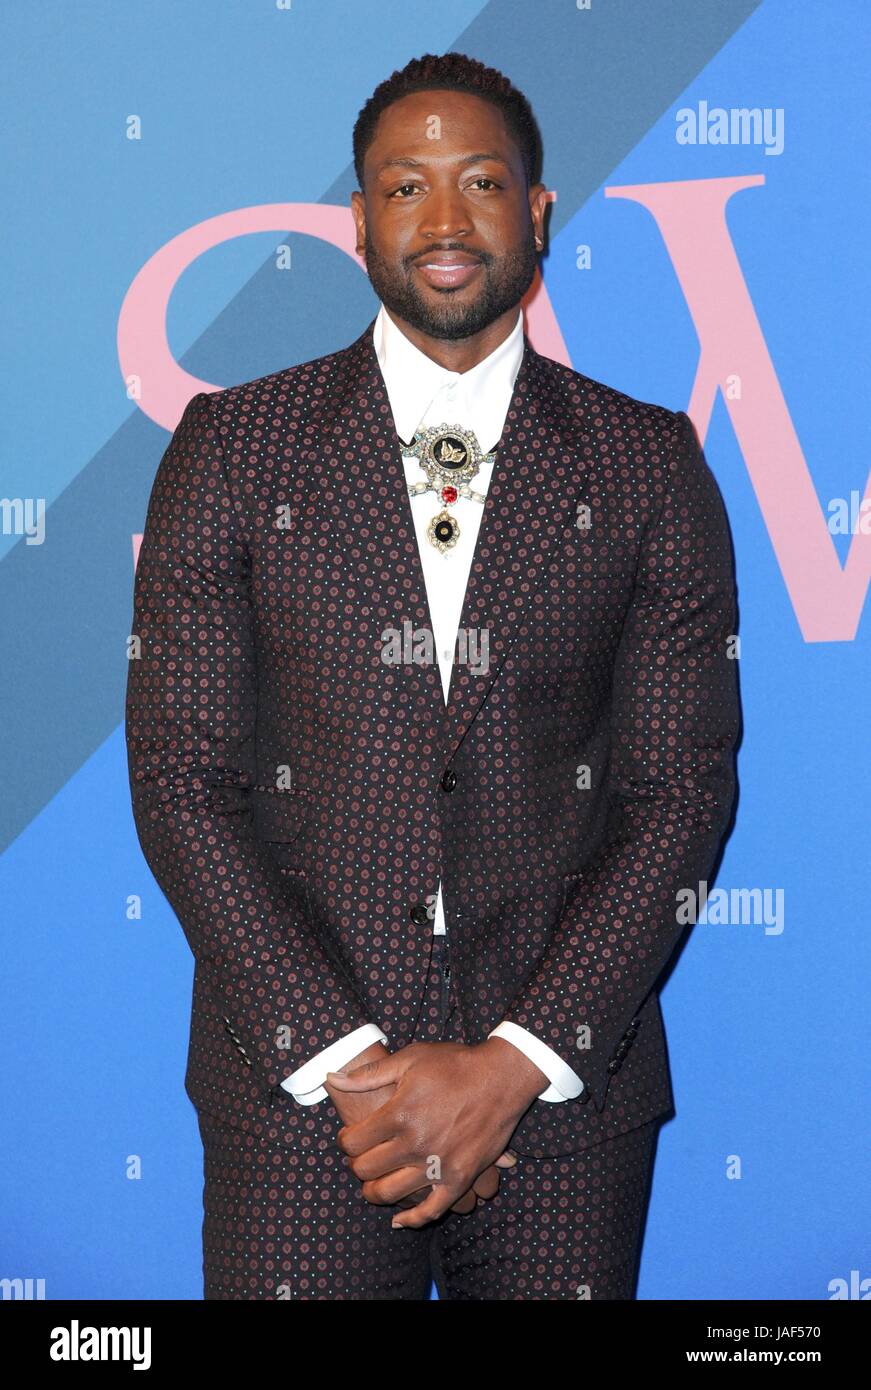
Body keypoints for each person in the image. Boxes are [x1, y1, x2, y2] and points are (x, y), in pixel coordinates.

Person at [125, 51, 739, 1300]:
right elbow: (181, 775)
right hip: (302, 1111)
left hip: (567, 1107)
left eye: (481, 183)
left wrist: (513, 1060)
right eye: (405, 188)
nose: (445, 223)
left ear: (539, 211)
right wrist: (354, 1064)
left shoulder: (646, 461)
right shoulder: (234, 448)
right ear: (357, 223)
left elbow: (681, 792)